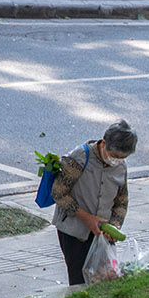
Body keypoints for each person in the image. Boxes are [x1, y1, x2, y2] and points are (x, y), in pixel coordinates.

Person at [50, 120, 137, 285]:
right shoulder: (79, 158)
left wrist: (115, 225)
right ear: (104, 143)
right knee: (80, 281)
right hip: (75, 232)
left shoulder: (121, 167)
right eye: (114, 156)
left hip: (102, 233)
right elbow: (59, 193)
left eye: (122, 157)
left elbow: (121, 200)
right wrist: (86, 217)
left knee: (105, 279)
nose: (117, 160)